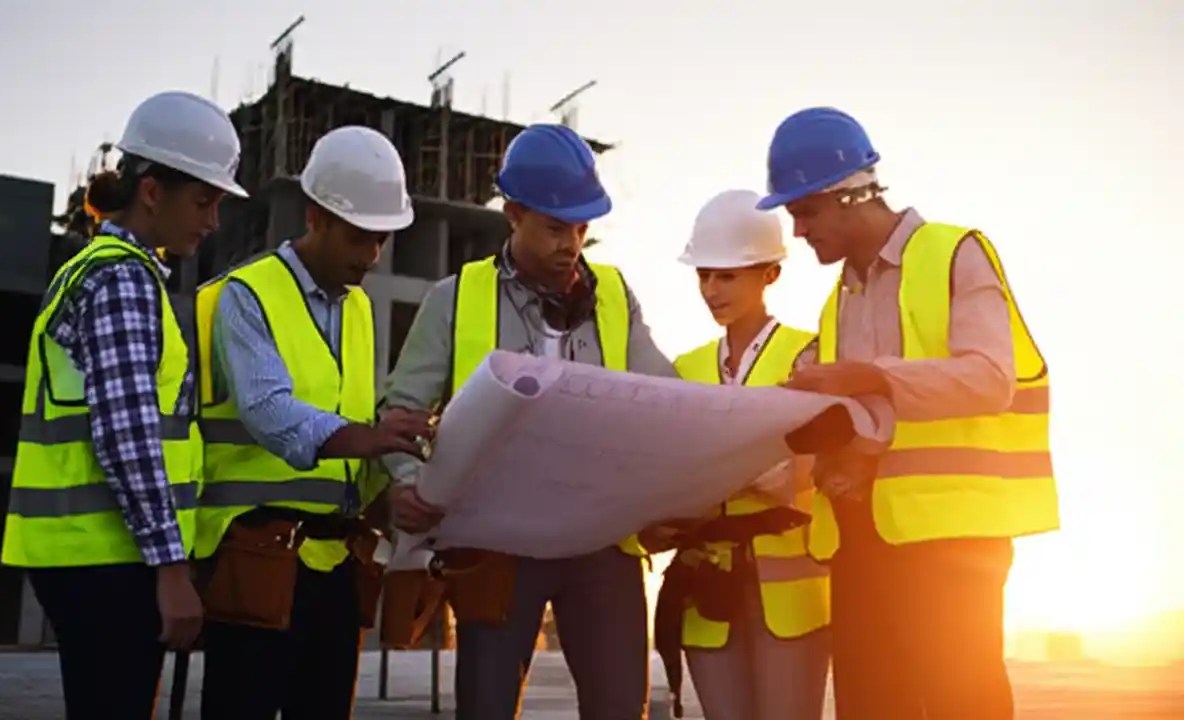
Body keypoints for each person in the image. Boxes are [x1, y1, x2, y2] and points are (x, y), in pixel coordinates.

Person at [759, 107, 1059, 719]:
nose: (798, 232)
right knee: (871, 707)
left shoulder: (955, 254)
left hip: (952, 542)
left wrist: (865, 377)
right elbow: (860, 416)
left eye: (804, 212)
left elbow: (989, 379)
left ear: (848, 195)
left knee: (960, 703)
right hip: (861, 538)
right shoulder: (839, 300)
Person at [382, 122, 678, 719]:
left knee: (621, 707)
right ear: (513, 214)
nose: (571, 243)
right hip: (498, 546)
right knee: (487, 706)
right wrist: (403, 480)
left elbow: (666, 397)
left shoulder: (617, 297)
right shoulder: (454, 299)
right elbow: (401, 412)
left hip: (602, 542)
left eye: (581, 227)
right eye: (554, 227)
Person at [0, 90, 248, 719]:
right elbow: (128, 434)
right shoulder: (121, 280)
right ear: (152, 191)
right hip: (110, 560)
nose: (213, 220)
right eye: (204, 200)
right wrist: (171, 568)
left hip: (91, 557)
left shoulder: (95, 270)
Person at [193, 125, 435, 720]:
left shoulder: (357, 309)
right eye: (359, 237)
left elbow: (352, 423)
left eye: (381, 240)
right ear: (315, 216)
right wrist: (375, 435)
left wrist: (399, 480)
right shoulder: (246, 295)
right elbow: (269, 411)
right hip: (252, 564)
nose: (371, 255)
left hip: (333, 568)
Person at [660, 189, 831, 719]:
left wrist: (783, 473)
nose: (711, 290)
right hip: (706, 585)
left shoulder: (810, 354)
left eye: (726, 276)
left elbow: (827, 466)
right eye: (704, 276)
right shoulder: (682, 370)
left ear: (770, 275)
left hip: (790, 589)